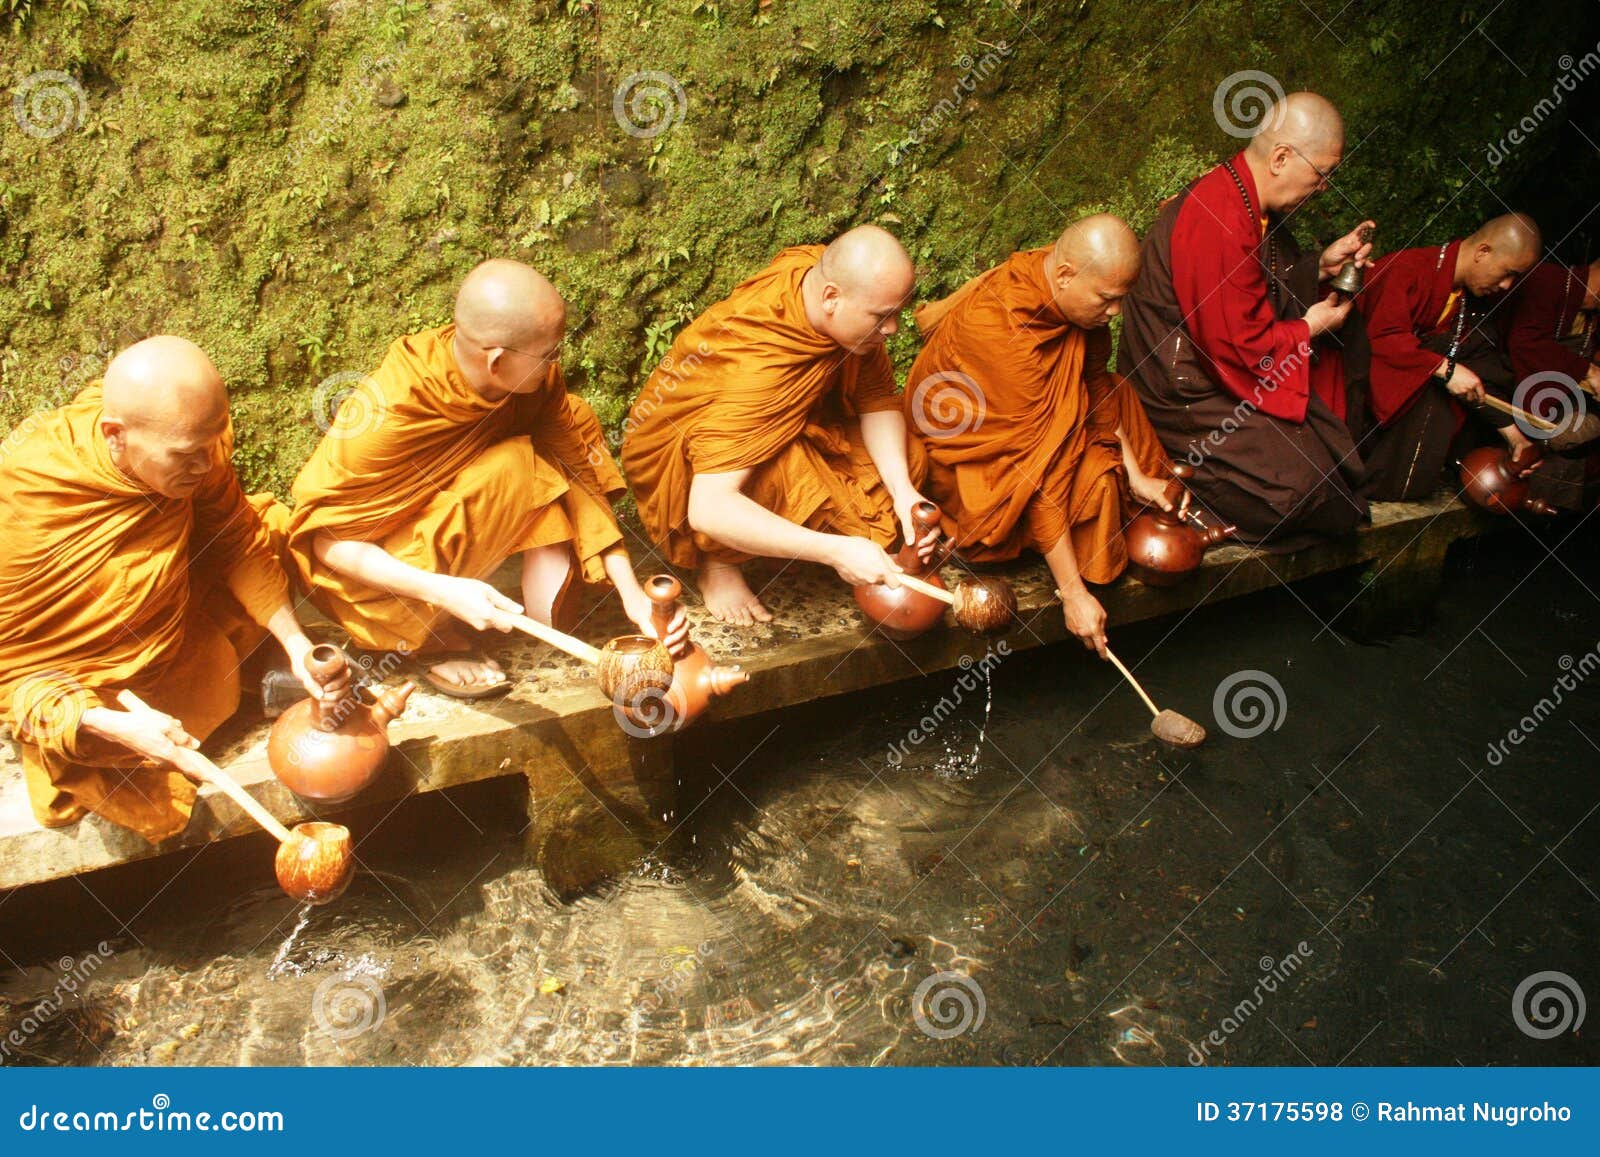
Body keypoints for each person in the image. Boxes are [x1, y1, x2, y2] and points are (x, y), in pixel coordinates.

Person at [274, 259, 683, 698]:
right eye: (549, 355)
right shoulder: (387, 413)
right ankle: (430, 639)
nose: (557, 364)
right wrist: (443, 591)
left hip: (440, 518)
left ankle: (534, 589)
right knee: (515, 467)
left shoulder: (533, 380)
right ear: (496, 359)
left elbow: (577, 470)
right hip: (368, 580)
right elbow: (328, 543)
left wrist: (632, 596)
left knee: (573, 420)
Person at [0, 337, 343, 842]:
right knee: (79, 740)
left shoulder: (186, 446)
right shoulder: (28, 498)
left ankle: (257, 662)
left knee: (271, 529)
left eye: (215, 444)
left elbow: (235, 539)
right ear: (115, 434)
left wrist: (296, 645)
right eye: (187, 456)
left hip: (169, 617)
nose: (207, 467)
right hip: (93, 683)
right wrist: (117, 726)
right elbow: (15, 675)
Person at [621, 226, 936, 625]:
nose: (892, 329)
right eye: (881, 317)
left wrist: (903, 491)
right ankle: (716, 562)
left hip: (792, 423)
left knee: (910, 459)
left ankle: (809, 537)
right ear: (831, 298)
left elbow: (876, 397)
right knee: (777, 485)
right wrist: (835, 551)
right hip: (695, 475)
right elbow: (709, 509)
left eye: (897, 314)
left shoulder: (820, 278)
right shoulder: (758, 374)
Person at [905, 214, 1182, 655]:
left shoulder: (1063, 292)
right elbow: (1037, 473)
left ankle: (1119, 500)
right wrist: (1072, 595)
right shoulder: (1005, 334)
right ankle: (1062, 554)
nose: (1116, 313)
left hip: (1038, 432)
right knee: (1092, 480)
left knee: (1118, 400)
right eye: (1108, 300)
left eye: (1122, 300)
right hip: (977, 459)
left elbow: (1094, 385)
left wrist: (1136, 473)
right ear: (1066, 275)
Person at [1119, 91, 1374, 549]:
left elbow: (1251, 290)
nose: (1322, 189)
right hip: (1183, 392)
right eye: (1321, 174)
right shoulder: (1216, 215)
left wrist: (1319, 267)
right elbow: (1237, 341)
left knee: (1338, 472)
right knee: (1306, 494)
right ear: (1280, 157)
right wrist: (1311, 326)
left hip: (1218, 374)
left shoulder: (1245, 197)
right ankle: (1183, 498)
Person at [1352, 213, 1542, 500]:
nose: (1506, 285)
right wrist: (1444, 369)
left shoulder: (1468, 300)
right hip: (1360, 403)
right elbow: (1381, 340)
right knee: (1437, 396)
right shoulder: (1407, 268)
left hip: (1407, 421)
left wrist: (1515, 435)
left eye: (1515, 278)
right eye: (1507, 273)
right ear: (1483, 251)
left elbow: (1480, 368)